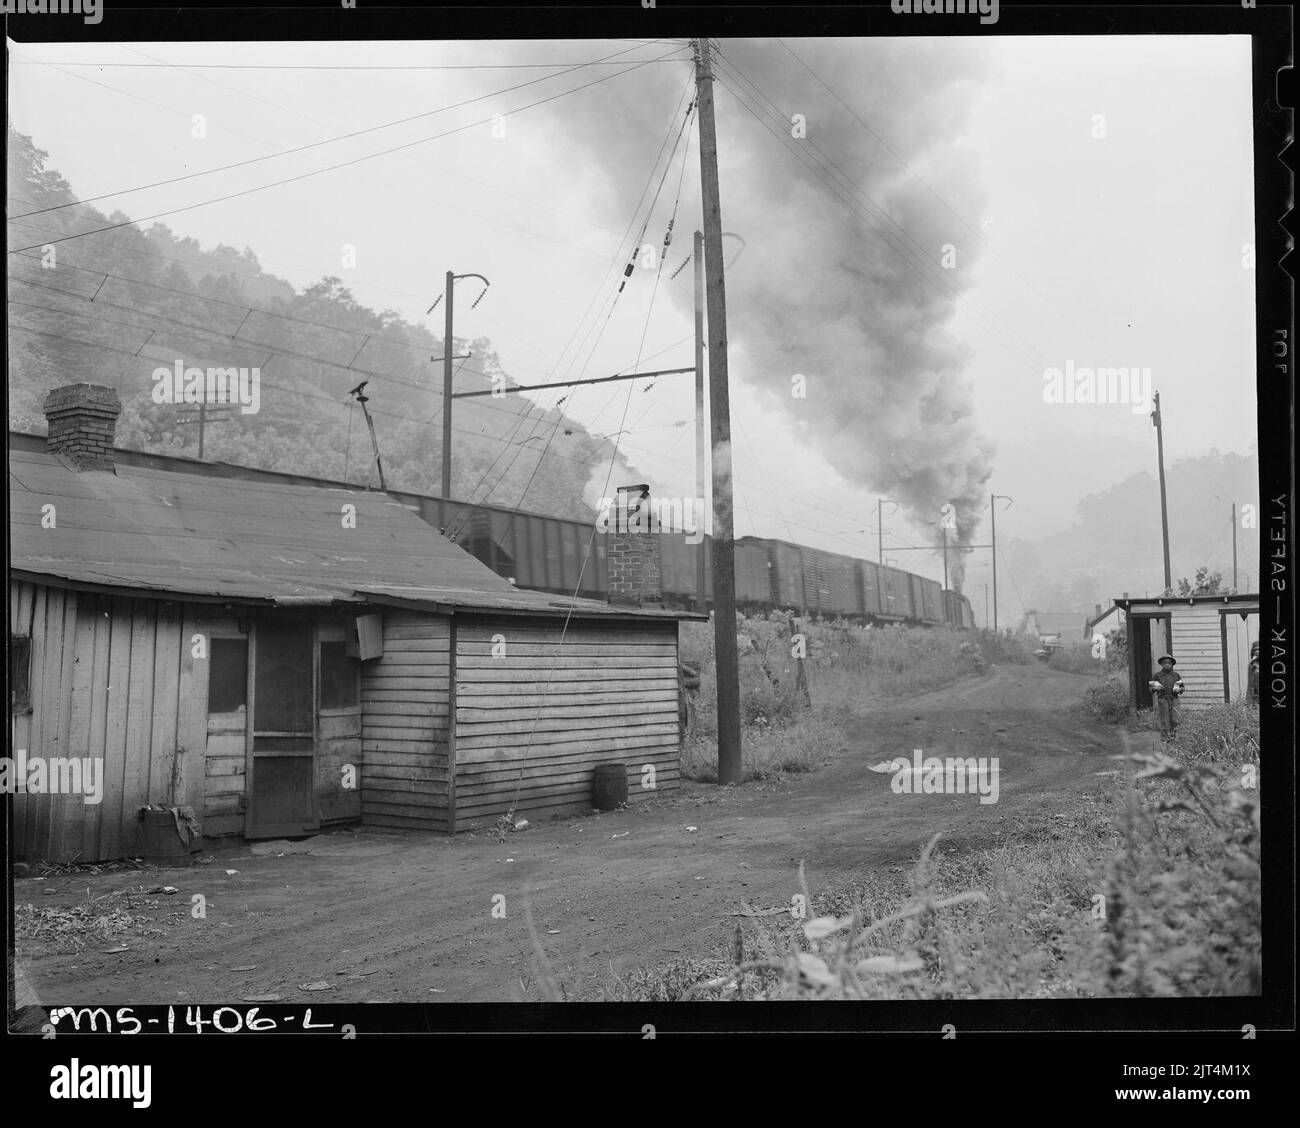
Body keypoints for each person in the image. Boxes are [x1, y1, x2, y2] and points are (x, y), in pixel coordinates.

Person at [1148, 654, 1185, 741]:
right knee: (1165, 719)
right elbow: (1150, 689)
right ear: (1161, 664)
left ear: (1172, 664)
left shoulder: (1176, 675)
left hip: (1174, 699)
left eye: (1169, 662)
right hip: (1163, 699)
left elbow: (1183, 688)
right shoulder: (1158, 675)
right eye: (1165, 663)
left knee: (1175, 719)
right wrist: (1155, 688)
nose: (1167, 664)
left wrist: (1179, 690)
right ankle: (1165, 738)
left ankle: (1175, 737)